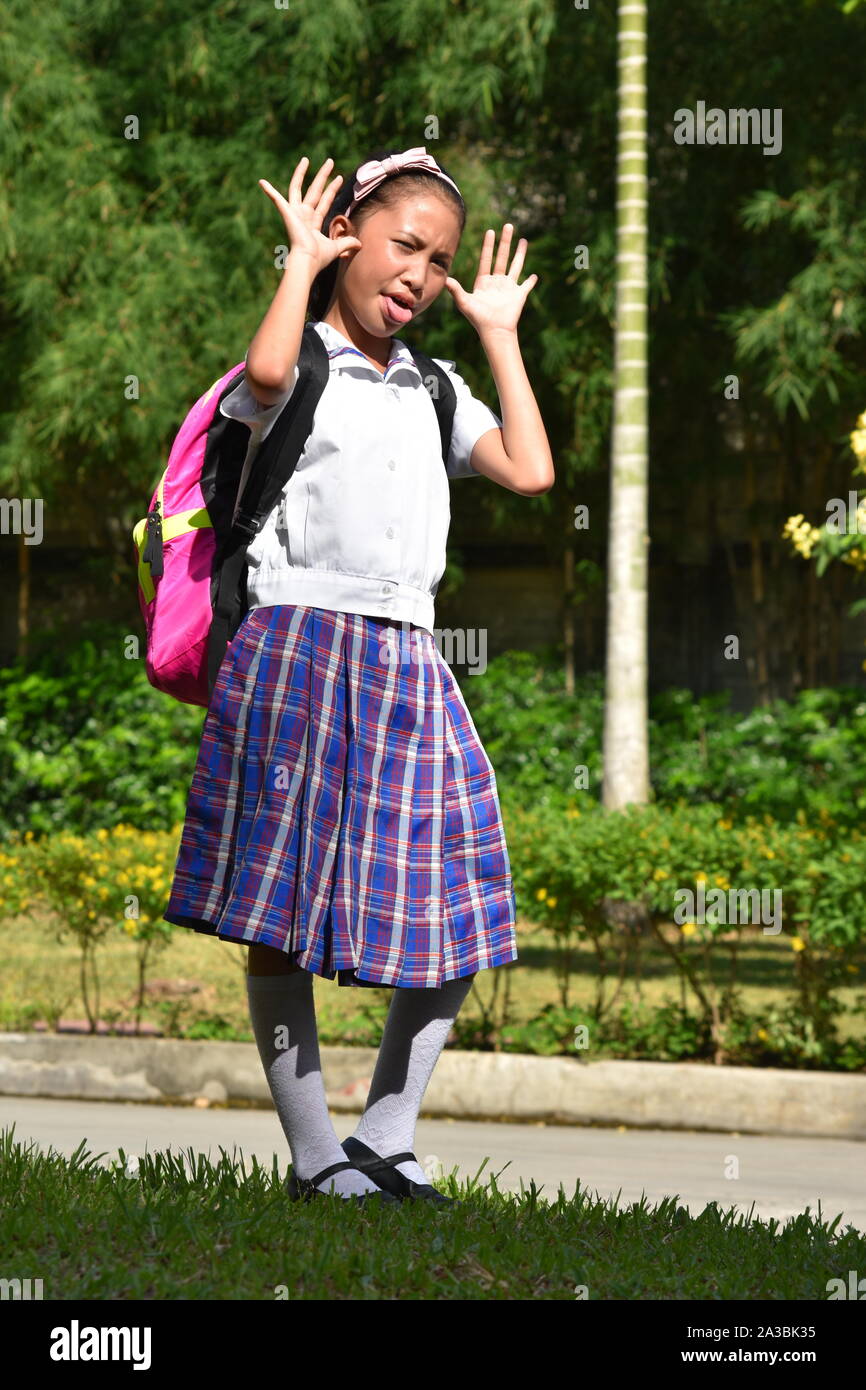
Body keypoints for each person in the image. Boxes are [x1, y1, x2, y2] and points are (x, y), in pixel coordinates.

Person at [163, 146, 554, 1203]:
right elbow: (266, 378)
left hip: (407, 655)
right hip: (296, 646)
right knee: (278, 907)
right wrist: (299, 262)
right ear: (348, 235)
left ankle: (386, 1132)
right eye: (403, 245)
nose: (420, 275)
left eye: (438, 259)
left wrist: (499, 336)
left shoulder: (432, 386)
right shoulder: (305, 365)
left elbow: (528, 470)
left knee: (458, 892)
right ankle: (311, 1155)